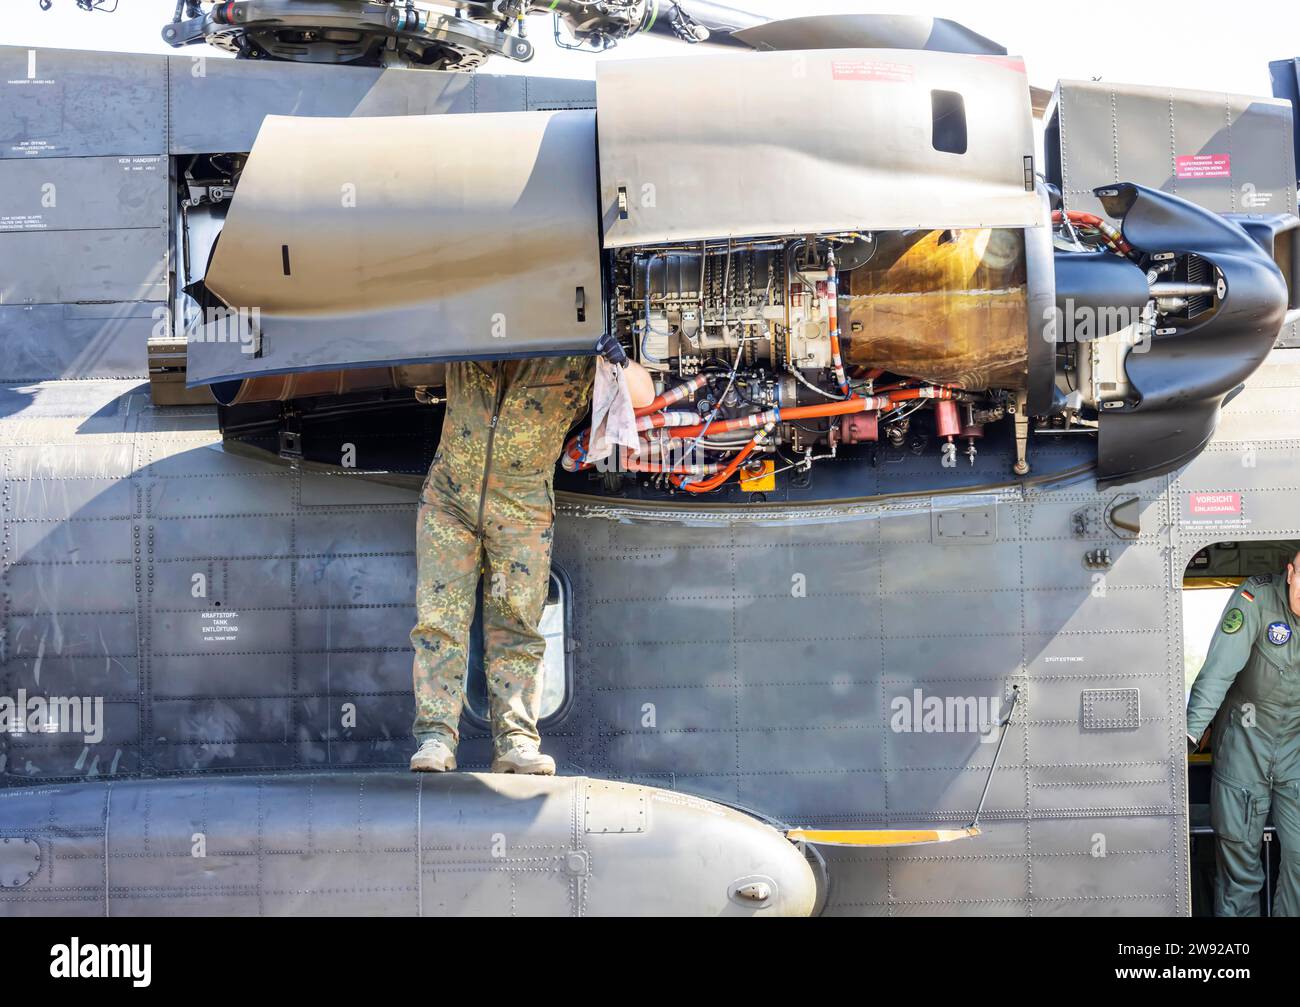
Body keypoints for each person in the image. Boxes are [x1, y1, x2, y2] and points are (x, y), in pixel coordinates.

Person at [1187, 552, 1300, 915]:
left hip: (1295, 748)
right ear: (1290, 572)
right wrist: (1188, 736)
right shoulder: (1255, 598)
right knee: (1240, 872)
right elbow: (1218, 671)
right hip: (1243, 745)